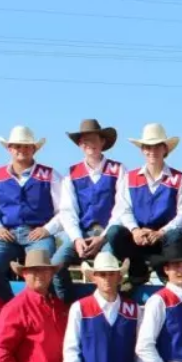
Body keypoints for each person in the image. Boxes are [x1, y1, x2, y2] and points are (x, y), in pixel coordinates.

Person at [108, 123, 182, 285]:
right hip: (139, 237)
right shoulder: (129, 177)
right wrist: (135, 230)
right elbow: (123, 208)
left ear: (165, 150)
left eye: (157, 147)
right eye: (148, 147)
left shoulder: (179, 178)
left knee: (175, 235)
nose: (152, 151)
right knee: (114, 233)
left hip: (164, 237)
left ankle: (169, 279)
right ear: (142, 150)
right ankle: (137, 271)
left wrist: (161, 232)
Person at [53, 119, 123, 302]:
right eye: (85, 141)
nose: (89, 145)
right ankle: (66, 303)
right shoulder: (72, 173)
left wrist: (103, 237)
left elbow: (122, 208)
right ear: (80, 145)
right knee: (54, 265)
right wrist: (76, 238)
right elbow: (68, 211)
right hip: (81, 232)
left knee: (109, 268)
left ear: (103, 142)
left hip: (107, 233)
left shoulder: (118, 170)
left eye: (93, 140)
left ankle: (110, 302)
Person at [0, 126, 61, 304]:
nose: (22, 150)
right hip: (6, 234)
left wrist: (47, 229)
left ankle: (49, 306)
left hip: (37, 234)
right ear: (9, 149)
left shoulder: (50, 175)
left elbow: (65, 209)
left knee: (43, 271)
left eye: (26, 146)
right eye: (17, 146)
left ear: (34, 149)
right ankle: (12, 304)